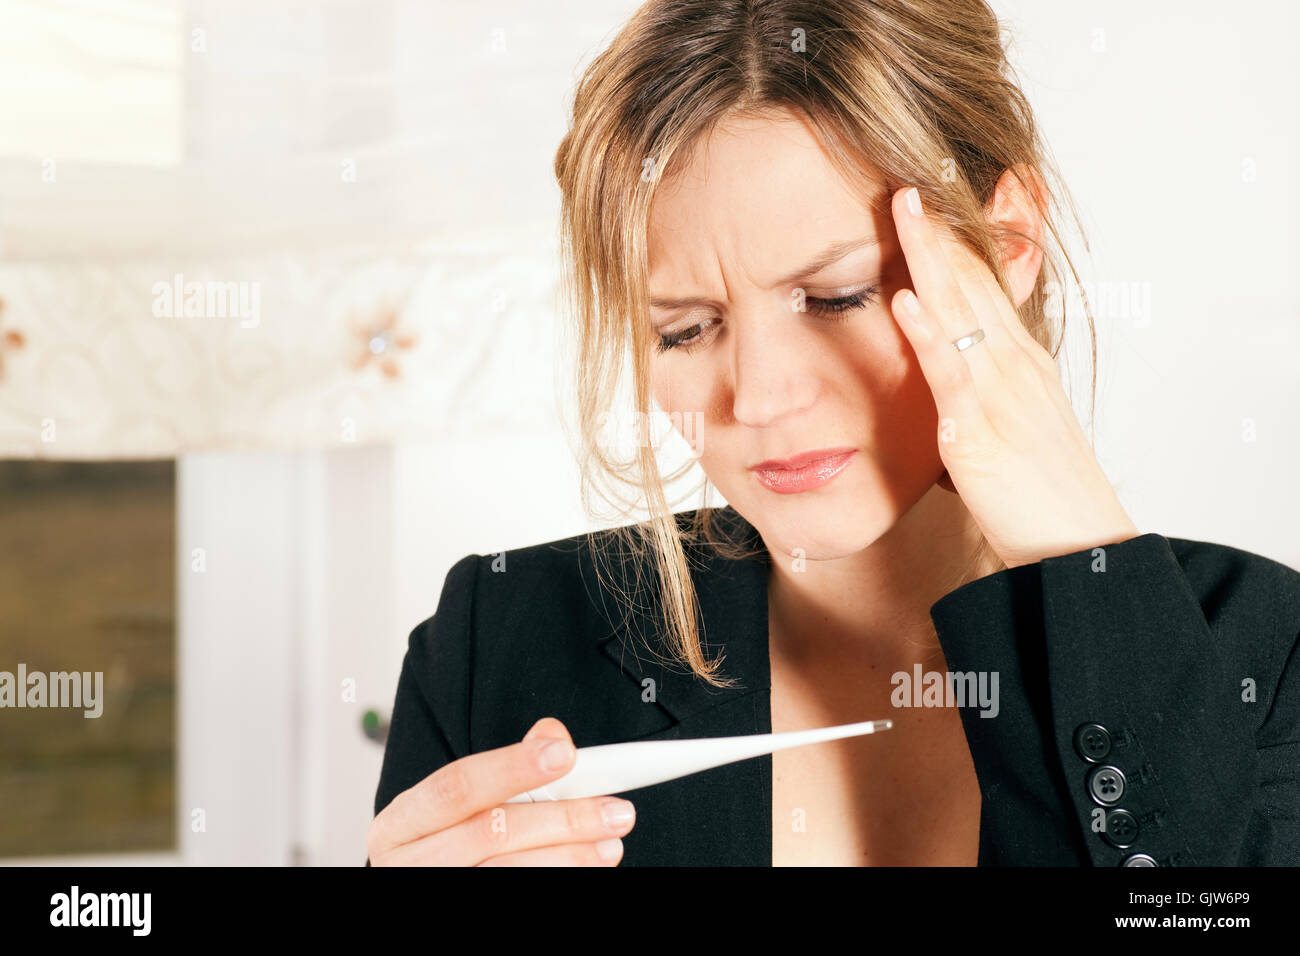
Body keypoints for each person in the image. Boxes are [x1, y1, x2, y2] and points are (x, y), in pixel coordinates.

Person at [366, 0, 1300, 866]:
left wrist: (1082, 564)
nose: (759, 398)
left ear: (1006, 246)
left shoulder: (1266, 657)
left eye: (836, 296)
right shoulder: (494, 646)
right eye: (684, 328)